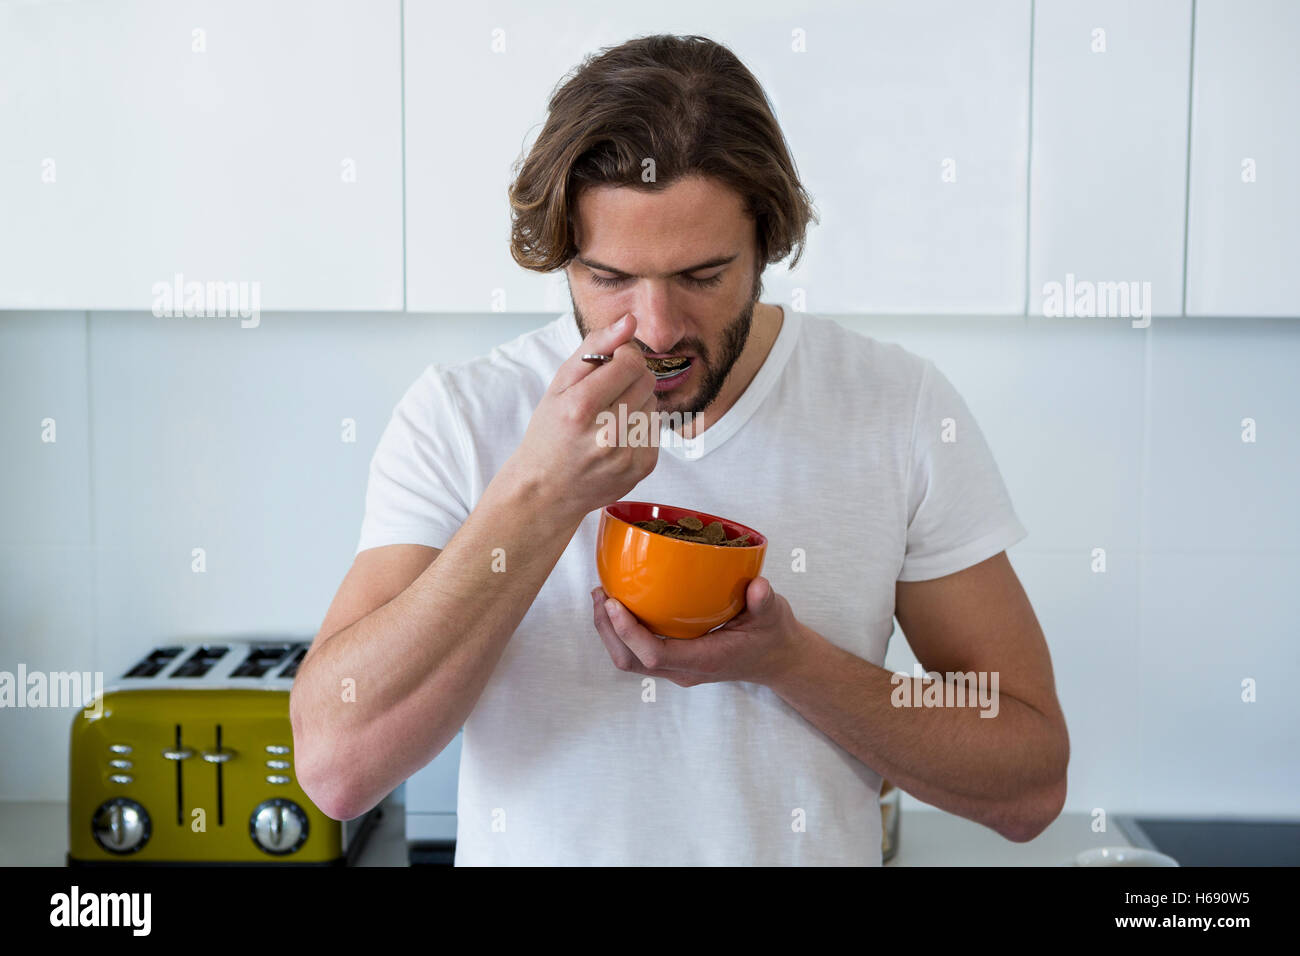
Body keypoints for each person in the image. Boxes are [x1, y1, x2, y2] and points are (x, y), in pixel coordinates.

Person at [291, 34, 1069, 866]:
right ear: (561, 257)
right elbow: (338, 770)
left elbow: (1028, 785)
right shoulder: (459, 417)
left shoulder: (896, 409)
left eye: (701, 277)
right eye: (610, 278)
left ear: (767, 245)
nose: (657, 331)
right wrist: (541, 495)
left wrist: (791, 663)